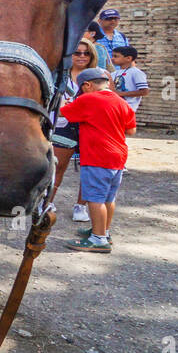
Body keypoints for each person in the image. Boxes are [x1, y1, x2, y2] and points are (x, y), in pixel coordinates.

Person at [61, 67, 137, 253]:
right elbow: (131, 131)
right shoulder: (121, 102)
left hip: (97, 155)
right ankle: (104, 231)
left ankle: (98, 239)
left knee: (94, 198)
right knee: (108, 198)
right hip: (118, 156)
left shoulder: (88, 99)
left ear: (87, 85)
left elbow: (64, 112)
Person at [52, 40, 94, 220]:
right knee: (57, 166)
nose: (82, 56)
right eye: (77, 53)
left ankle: (80, 206)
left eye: (87, 53)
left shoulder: (100, 75)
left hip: (91, 128)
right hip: (63, 126)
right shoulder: (58, 76)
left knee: (89, 169)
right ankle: (47, 201)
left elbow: (110, 100)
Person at [111, 45, 149, 112]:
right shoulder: (113, 73)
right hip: (115, 107)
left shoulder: (136, 72)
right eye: (112, 56)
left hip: (128, 108)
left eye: (116, 56)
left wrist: (121, 93)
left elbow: (144, 91)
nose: (112, 58)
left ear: (128, 58)